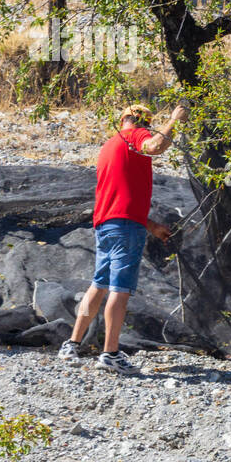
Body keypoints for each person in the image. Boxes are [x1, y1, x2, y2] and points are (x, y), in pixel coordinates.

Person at [59, 102, 189, 374]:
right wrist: (174, 120)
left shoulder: (109, 146)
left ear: (122, 120)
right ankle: (110, 353)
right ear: (142, 123)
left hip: (106, 225)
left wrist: (151, 225)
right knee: (120, 289)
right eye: (147, 126)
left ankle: (71, 344)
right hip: (125, 228)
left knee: (98, 285)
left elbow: (121, 197)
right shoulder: (135, 137)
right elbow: (155, 146)